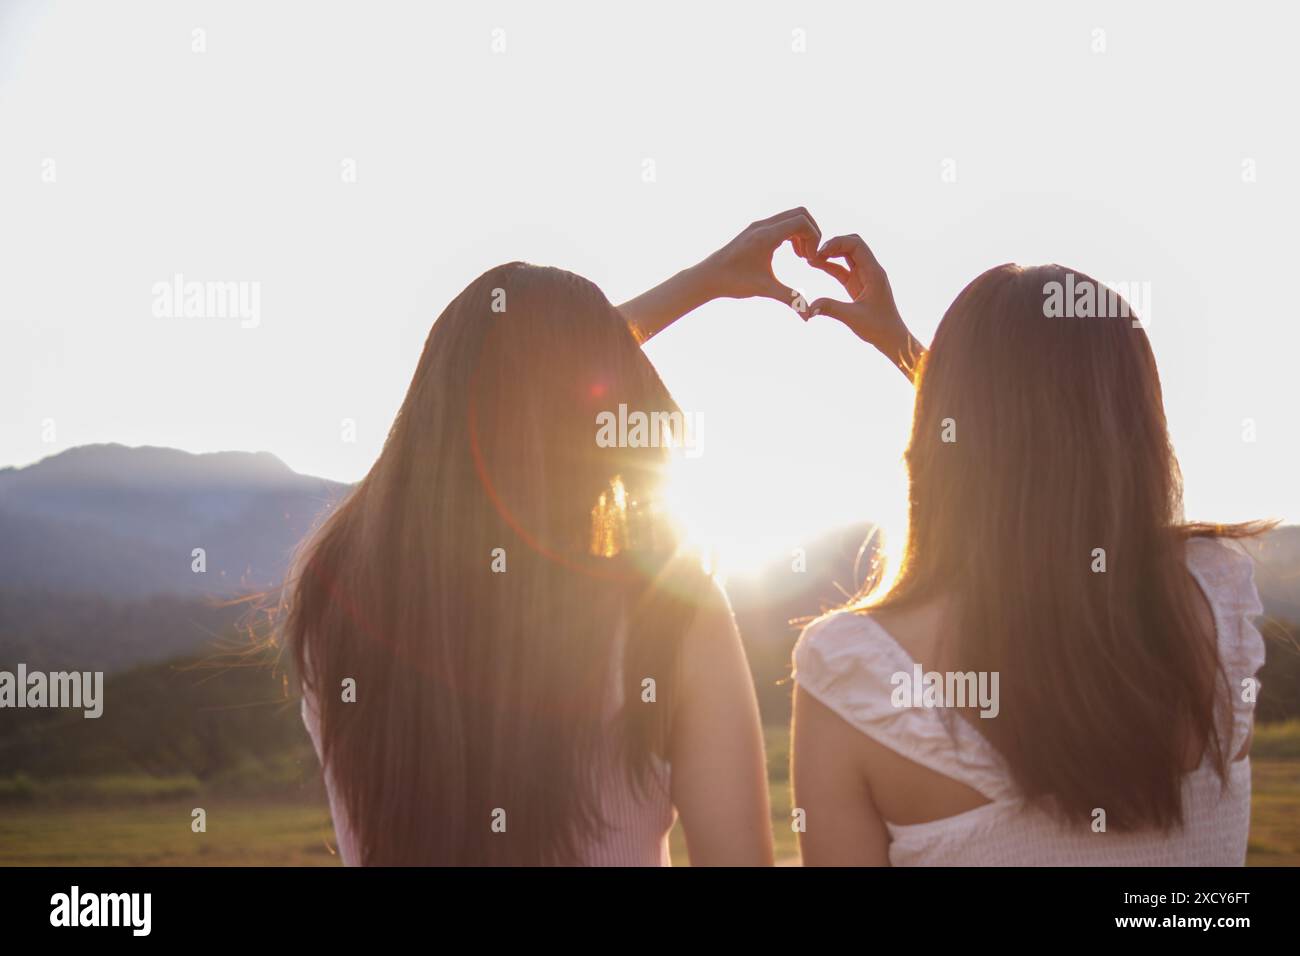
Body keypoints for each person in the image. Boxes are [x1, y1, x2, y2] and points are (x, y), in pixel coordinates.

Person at [286, 208, 825, 865]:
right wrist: (699, 284)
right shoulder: (669, 616)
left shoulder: (336, 596)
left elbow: (467, 411)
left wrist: (700, 282)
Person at [792, 236, 1270, 865]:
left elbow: (1012, 448)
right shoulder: (1217, 602)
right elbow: (1058, 450)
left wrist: (934, 375)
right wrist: (906, 351)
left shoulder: (858, 675)